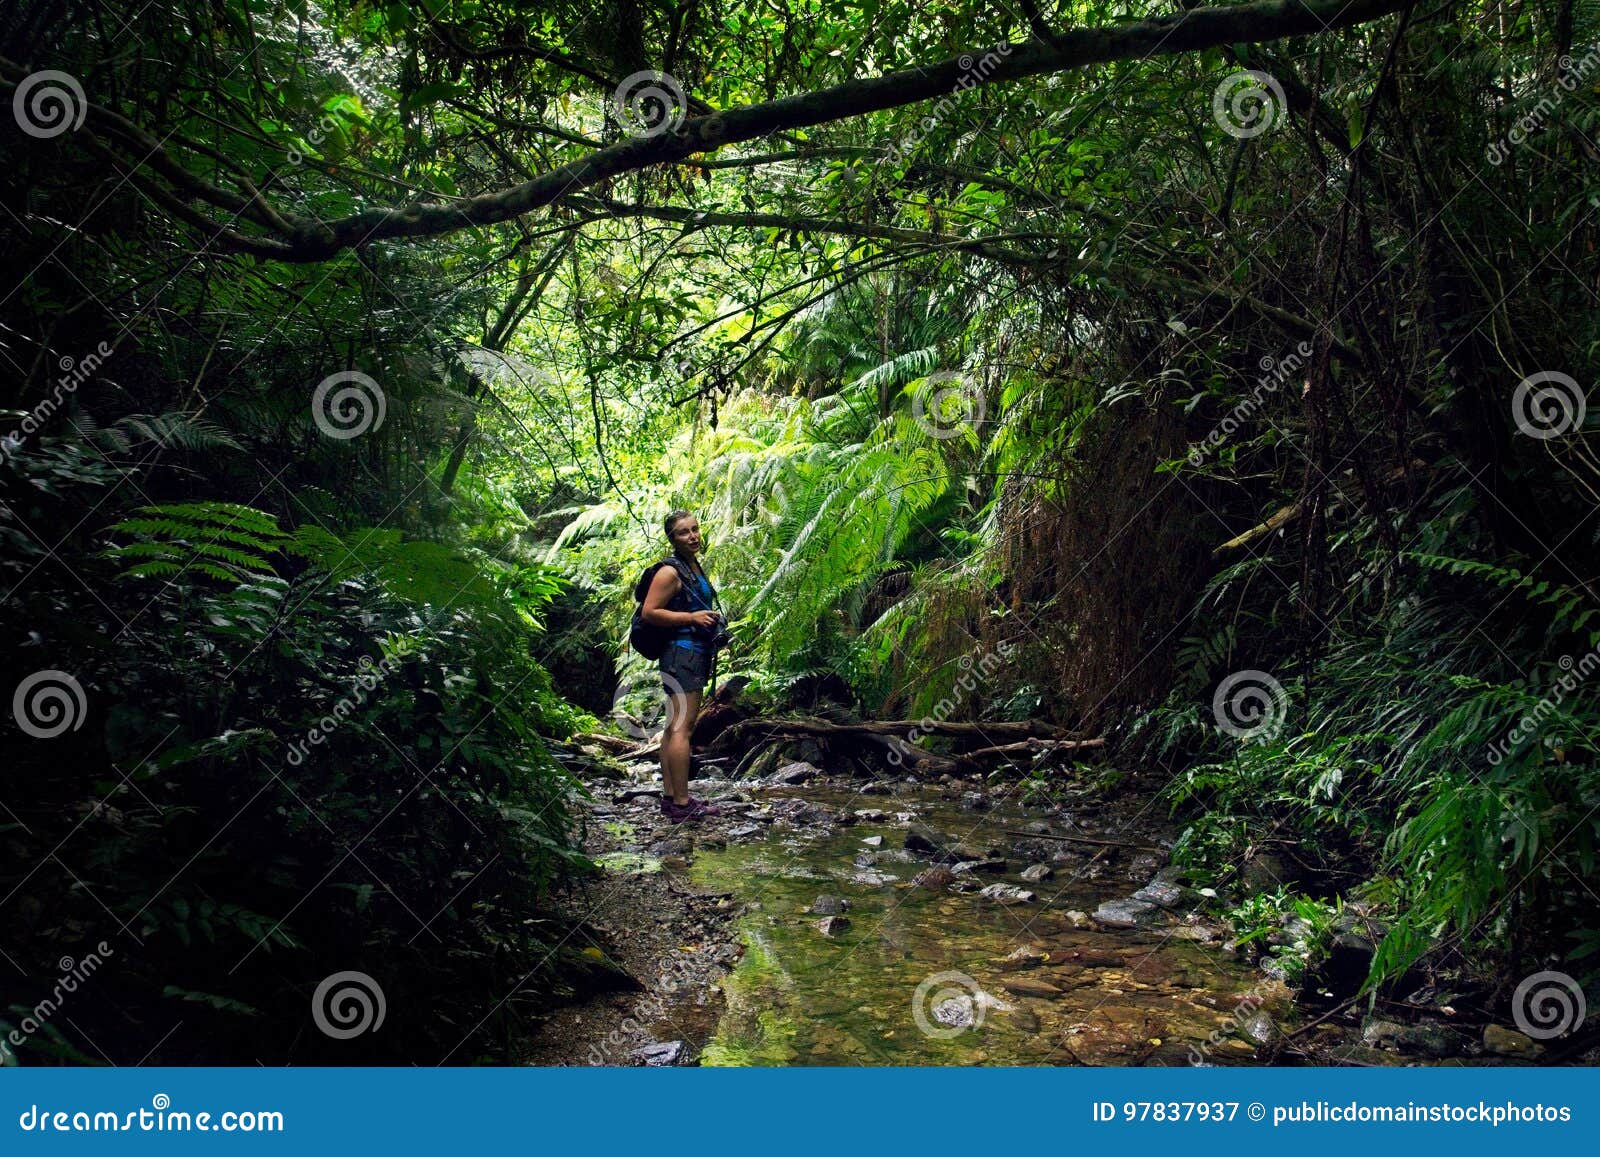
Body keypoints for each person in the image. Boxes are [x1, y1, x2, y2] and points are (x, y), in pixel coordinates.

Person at [640, 509, 725, 823]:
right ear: (672, 538)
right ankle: (682, 802)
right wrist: (691, 618)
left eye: (695, 529)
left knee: (673, 728)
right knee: (682, 729)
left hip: (692, 653)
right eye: (684, 532)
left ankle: (670, 798)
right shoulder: (669, 572)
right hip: (681, 654)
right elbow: (649, 612)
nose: (693, 536)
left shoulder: (691, 566)